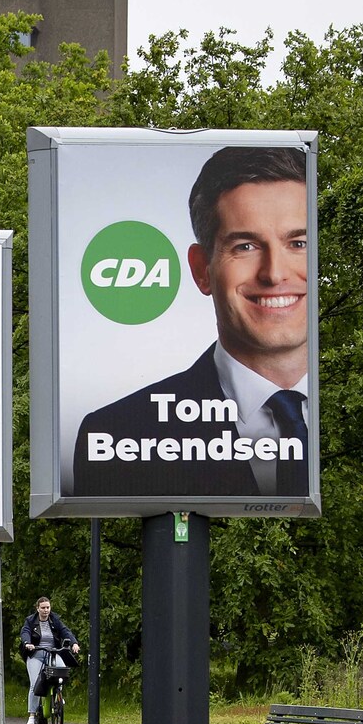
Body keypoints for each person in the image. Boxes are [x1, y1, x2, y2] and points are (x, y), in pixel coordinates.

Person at [70, 144, 313, 500]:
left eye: (299, 243)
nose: (274, 273)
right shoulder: (117, 435)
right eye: (245, 246)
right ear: (202, 270)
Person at [16, 595, 81, 724]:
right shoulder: (30, 621)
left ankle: (58, 696)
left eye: (48, 607)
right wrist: (28, 643)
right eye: (43, 608)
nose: (46, 610)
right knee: (35, 683)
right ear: (37, 608)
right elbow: (25, 633)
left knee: (62, 670)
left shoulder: (54, 619)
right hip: (36, 654)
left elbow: (65, 631)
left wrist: (74, 643)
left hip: (53, 652)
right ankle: (32, 715)